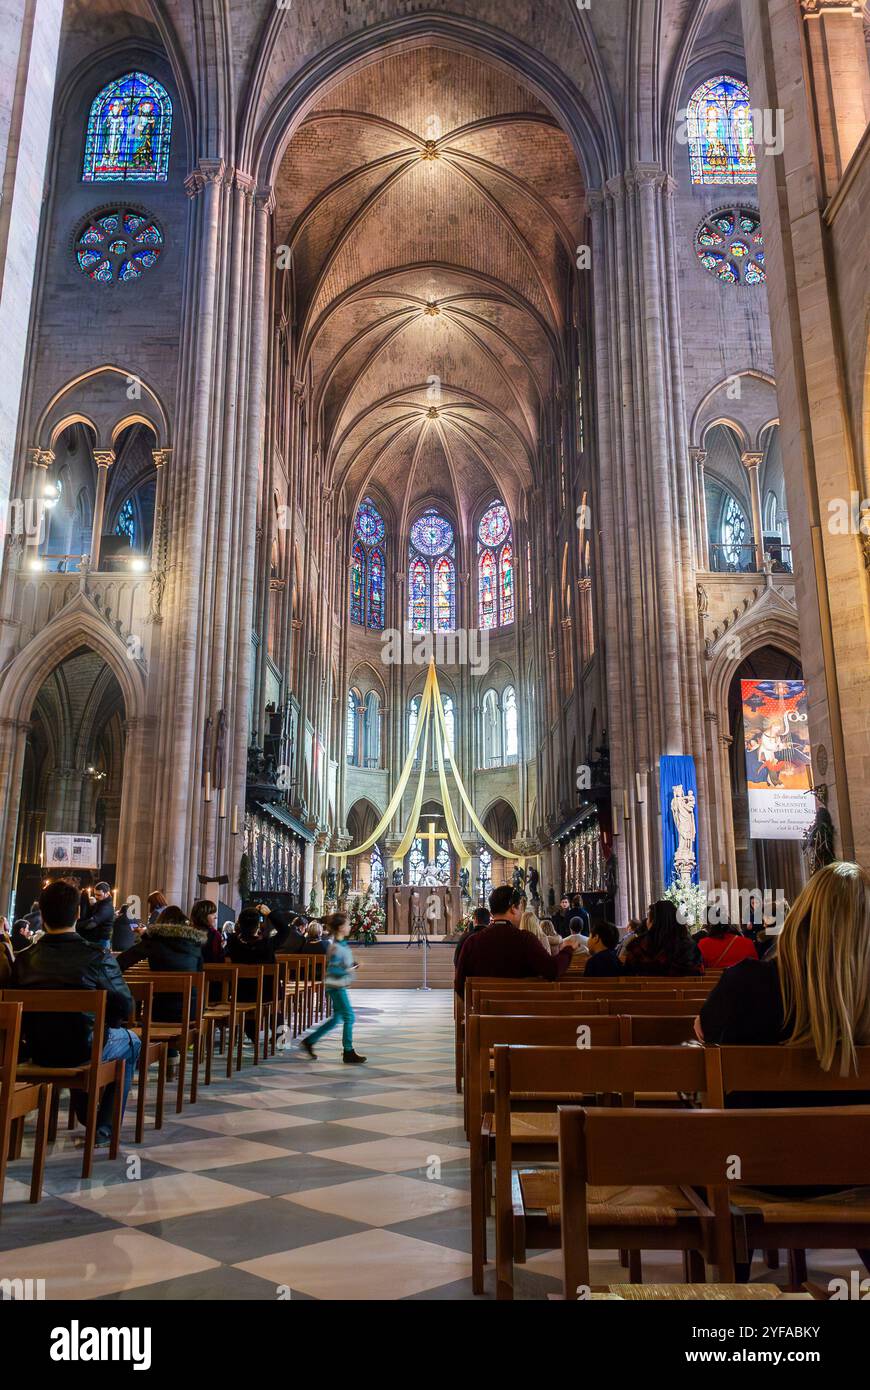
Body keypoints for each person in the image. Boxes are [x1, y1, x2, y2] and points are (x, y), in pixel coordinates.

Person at [697, 861, 870, 1276]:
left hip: (753, 1169)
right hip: (858, 1171)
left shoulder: (746, 983)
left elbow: (702, 1034)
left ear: (800, 916)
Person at [9, 879, 140, 1146]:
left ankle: (87, 1109)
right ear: (78, 913)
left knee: (86, 1039)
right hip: (84, 1048)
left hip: (36, 1051)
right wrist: (108, 1023)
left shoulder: (23, 959)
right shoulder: (97, 956)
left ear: (42, 915)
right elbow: (125, 1005)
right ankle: (102, 1126)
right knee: (132, 1042)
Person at [455, 885, 577, 997]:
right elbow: (552, 970)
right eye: (520, 908)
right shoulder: (525, 939)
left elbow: (459, 986)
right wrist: (567, 949)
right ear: (513, 908)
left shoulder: (472, 941)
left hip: (483, 1015)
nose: (520, 913)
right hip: (522, 1015)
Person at [300, 912, 366, 1064]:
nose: (350, 927)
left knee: (336, 1018)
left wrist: (351, 965)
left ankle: (310, 1041)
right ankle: (348, 1051)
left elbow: (341, 963)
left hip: (335, 985)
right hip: (336, 986)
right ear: (342, 927)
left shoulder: (339, 944)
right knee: (349, 1016)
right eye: (348, 924)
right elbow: (334, 969)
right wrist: (349, 969)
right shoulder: (335, 946)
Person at [622, 900, 703, 976]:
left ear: (653, 922)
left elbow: (627, 974)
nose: (646, 921)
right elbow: (699, 972)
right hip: (685, 990)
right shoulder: (689, 947)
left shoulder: (638, 946)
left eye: (648, 918)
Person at [77, 881, 115, 947]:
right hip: (96, 939)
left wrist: (76, 926)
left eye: (99, 895)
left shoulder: (106, 907)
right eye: (95, 894)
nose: (96, 897)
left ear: (107, 894)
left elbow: (92, 924)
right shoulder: (100, 902)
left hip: (102, 941)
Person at [191, 898, 225, 964]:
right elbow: (218, 959)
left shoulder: (188, 931)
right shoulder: (215, 934)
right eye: (212, 914)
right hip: (210, 971)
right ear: (203, 916)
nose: (215, 917)